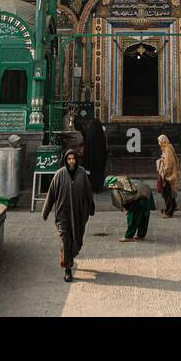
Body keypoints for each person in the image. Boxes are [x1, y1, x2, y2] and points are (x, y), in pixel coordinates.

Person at [40, 147, 95, 282]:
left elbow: (88, 192)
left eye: (73, 158)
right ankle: (67, 269)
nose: (71, 161)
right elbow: (51, 194)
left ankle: (70, 257)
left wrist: (91, 208)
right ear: (65, 160)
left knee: (76, 239)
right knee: (65, 239)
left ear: (76, 160)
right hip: (62, 214)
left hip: (78, 214)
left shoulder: (82, 173)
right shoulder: (59, 174)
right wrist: (45, 212)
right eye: (69, 159)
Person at [106, 175, 154, 242]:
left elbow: (123, 200)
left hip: (140, 196)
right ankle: (141, 235)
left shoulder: (116, 185)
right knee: (144, 216)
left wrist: (128, 210)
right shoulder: (121, 179)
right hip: (146, 191)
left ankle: (129, 236)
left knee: (133, 218)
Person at [81, 113, 108, 194]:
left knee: (91, 173)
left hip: (90, 162)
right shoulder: (100, 135)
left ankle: (91, 187)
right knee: (97, 174)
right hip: (98, 163)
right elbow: (103, 149)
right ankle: (98, 187)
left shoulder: (90, 134)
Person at [156, 134, 181, 218]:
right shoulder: (166, 148)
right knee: (169, 193)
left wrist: (163, 173)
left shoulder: (167, 149)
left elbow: (169, 165)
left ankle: (169, 212)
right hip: (168, 175)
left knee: (167, 194)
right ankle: (172, 207)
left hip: (168, 176)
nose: (159, 143)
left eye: (160, 141)